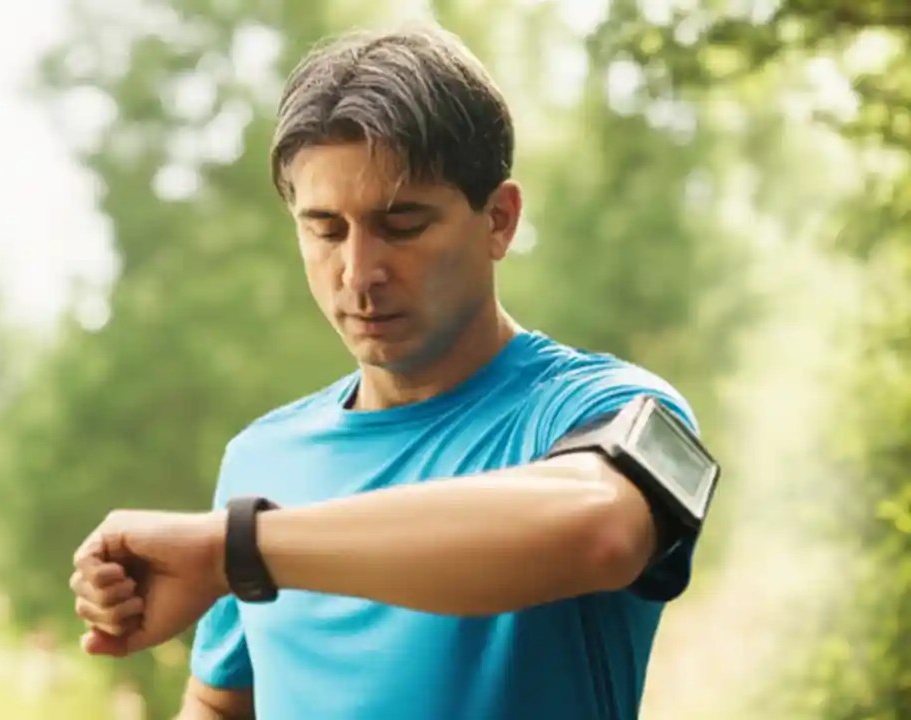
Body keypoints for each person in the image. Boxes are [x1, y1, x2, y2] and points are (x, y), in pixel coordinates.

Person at [69, 22, 710, 720]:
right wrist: (224, 552)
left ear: (499, 220)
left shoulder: (611, 409)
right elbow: (221, 705)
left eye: (402, 226)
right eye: (325, 229)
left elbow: (600, 532)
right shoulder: (260, 460)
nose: (359, 272)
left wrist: (235, 550)